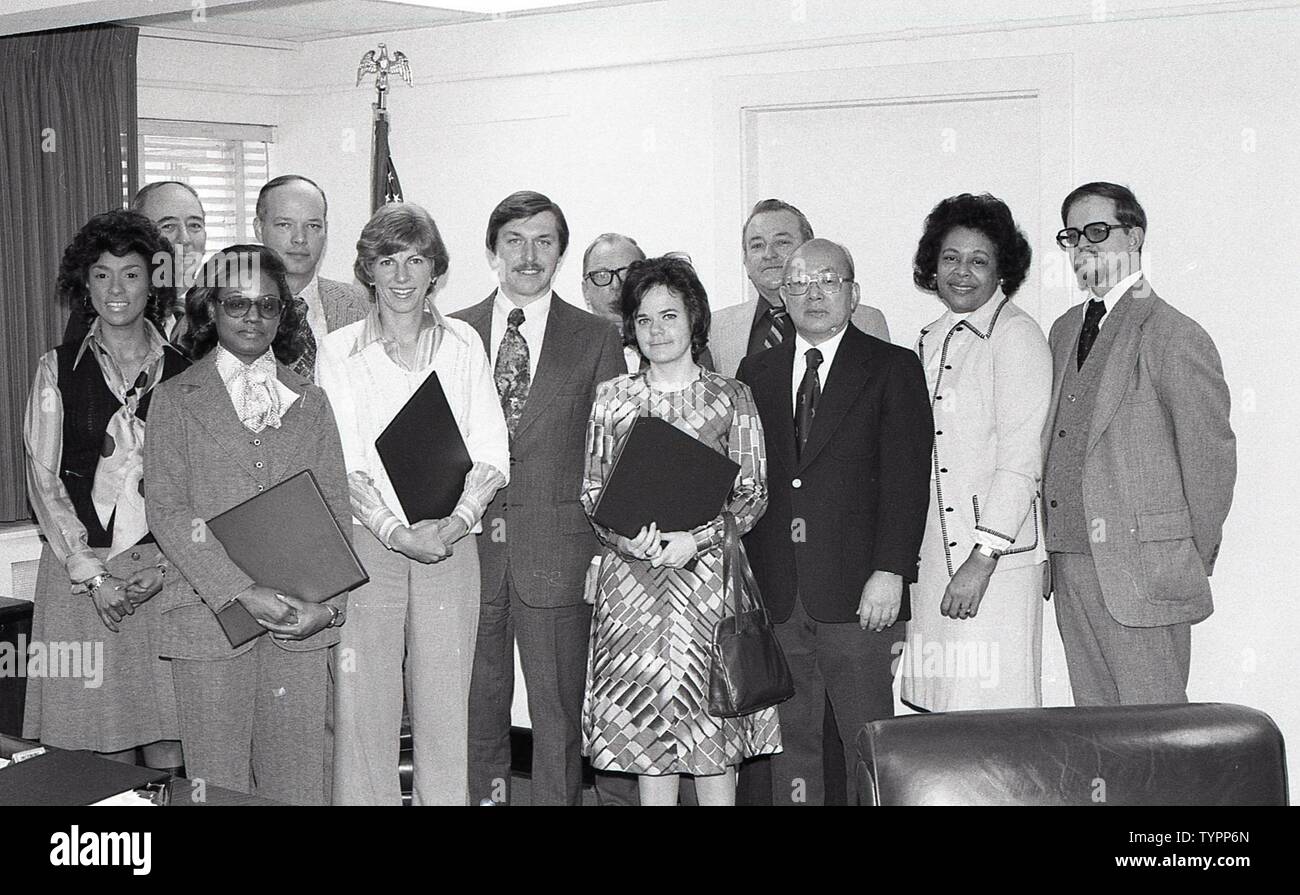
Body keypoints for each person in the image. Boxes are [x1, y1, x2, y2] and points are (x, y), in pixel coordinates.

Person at [317, 203, 509, 805]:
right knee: (362, 713)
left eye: (416, 259)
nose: (402, 275)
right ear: (368, 270)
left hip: (451, 549)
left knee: (447, 709)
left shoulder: (464, 343)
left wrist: (454, 523)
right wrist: (396, 533)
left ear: (436, 270)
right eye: (387, 260)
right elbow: (341, 459)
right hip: (366, 551)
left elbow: (491, 448)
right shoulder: (339, 350)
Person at [143, 244, 350, 804]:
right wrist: (240, 592)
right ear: (211, 309)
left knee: (298, 788)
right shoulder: (173, 400)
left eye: (268, 305)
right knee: (219, 789)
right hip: (210, 621)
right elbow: (167, 511)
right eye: (237, 304)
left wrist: (328, 610)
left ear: (284, 313)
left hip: (297, 624)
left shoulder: (311, 401)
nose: (253, 318)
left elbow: (335, 511)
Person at [737, 238, 932, 805]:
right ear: (782, 295)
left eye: (827, 281)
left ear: (853, 293)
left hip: (859, 595)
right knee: (789, 746)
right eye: (798, 283)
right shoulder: (757, 370)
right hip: (778, 594)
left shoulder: (892, 366)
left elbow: (906, 480)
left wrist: (891, 571)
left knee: (865, 743)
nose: (812, 294)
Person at [580, 256, 778, 806]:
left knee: (712, 738)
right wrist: (624, 539)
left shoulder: (731, 397)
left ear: (694, 319)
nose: (657, 330)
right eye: (644, 320)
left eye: (669, 316)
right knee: (646, 740)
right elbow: (593, 492)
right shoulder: (611, 399)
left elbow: (754, 492)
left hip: (707, 589)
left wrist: (699, 538)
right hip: (633, 591)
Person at [453, 190, 624, 805]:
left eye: (544, 241)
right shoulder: (453, 331)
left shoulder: (597, 336)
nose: (529, 255)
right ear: (493, 250)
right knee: (476, 714)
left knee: (557, 720)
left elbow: (611, 454)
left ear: (560, 251)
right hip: (467, 553)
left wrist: (605, 554)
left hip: (560, 556)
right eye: (515, 241)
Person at [1043, 182, 1235, 705]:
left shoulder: (1174, 333)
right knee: (1099, 732)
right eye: (1072, 236)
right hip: (1070, 563)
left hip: (1145, 569)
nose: (1084, 247)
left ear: (1135, 237)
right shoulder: (1063, 331)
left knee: (1156, 736)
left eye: (1098, 232)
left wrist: (1182, 556)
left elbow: (1210, 461)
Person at [23, 209, 188, 771]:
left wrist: (165, 567)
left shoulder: (188, 372)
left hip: (164, 575)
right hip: (81, 574)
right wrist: (92, 576)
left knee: (171, 736)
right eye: (101, 274)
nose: (116, 289)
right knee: (101, 738)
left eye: (132, 274)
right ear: (84, 284)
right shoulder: (56, 370)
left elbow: (200, 487)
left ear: (154, 282)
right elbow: (44, 480)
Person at [898, 193, 1051, 712]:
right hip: (934, 561)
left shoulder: (1017, 336)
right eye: (950, 258)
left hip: (993, 564)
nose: (962, 272)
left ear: (1002, 269)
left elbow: (1021, 462)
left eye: (979, 260)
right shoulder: (929, 339)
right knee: (940, 713)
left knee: (990, 716)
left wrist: (981, 560)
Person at [710, 198, 890, 378]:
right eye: (757, 245)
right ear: (745, 259)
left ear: (808, 248)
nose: (769, 254)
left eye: (782, 242)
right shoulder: (717, 328)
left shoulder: (867, 321)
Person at [251, 174, 369, 378]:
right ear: (259, 229)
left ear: (326, 230)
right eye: (285, 225)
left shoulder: (363, 306)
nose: (300, 238)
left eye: (313, 226)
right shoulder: (224, 309)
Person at [63, 181, 207, 346]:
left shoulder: (220, 306)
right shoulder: (104, 307)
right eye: (168, 226)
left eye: (195, 225)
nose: (185, 239)